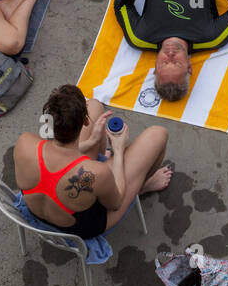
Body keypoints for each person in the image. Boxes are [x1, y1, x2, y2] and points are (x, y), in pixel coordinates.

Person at [13, 85, 171, 238]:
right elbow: (115, 203)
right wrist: (119, 151)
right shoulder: (96, 173)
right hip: (80, 227)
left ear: (47, 121)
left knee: (94, 105)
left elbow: (59, 153)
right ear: (85, 122)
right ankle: (142, 186)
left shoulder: (24, 142)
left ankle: (126, 176)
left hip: (38, 210)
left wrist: (90, 143)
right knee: (158, 135)